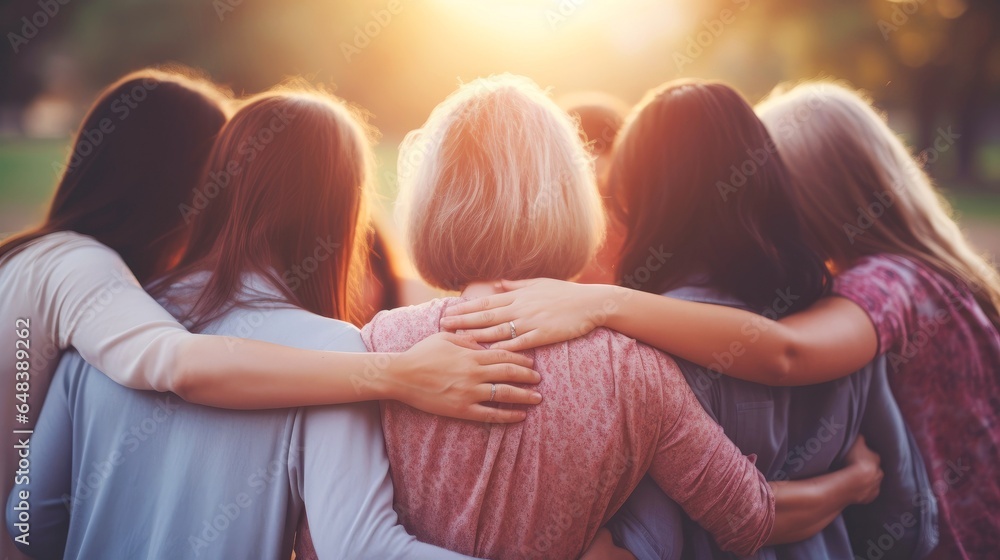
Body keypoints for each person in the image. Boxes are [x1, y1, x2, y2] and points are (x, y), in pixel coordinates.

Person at [297, 75, 886, 560]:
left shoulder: (374, 347)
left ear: (430, 200)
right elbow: (749, 519)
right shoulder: (636, 369)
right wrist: (850, 483)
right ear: (571, 197)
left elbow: (319, 542)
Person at [441, 81, 998, 559]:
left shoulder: (648, 350)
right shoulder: (841, 313)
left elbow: (648, 540)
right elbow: (906, 505)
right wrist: (847, 490)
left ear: (642, 196)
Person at [0, 70, 542, 558]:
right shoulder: (333, 359)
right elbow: (359, 548)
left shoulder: (108, 321)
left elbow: (30, 523)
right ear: (340, 213)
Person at [559, 92, 630, 284]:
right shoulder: (552, 224)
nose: (593, 158)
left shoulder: (634, 219)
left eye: (603, 146)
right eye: (583, 146)